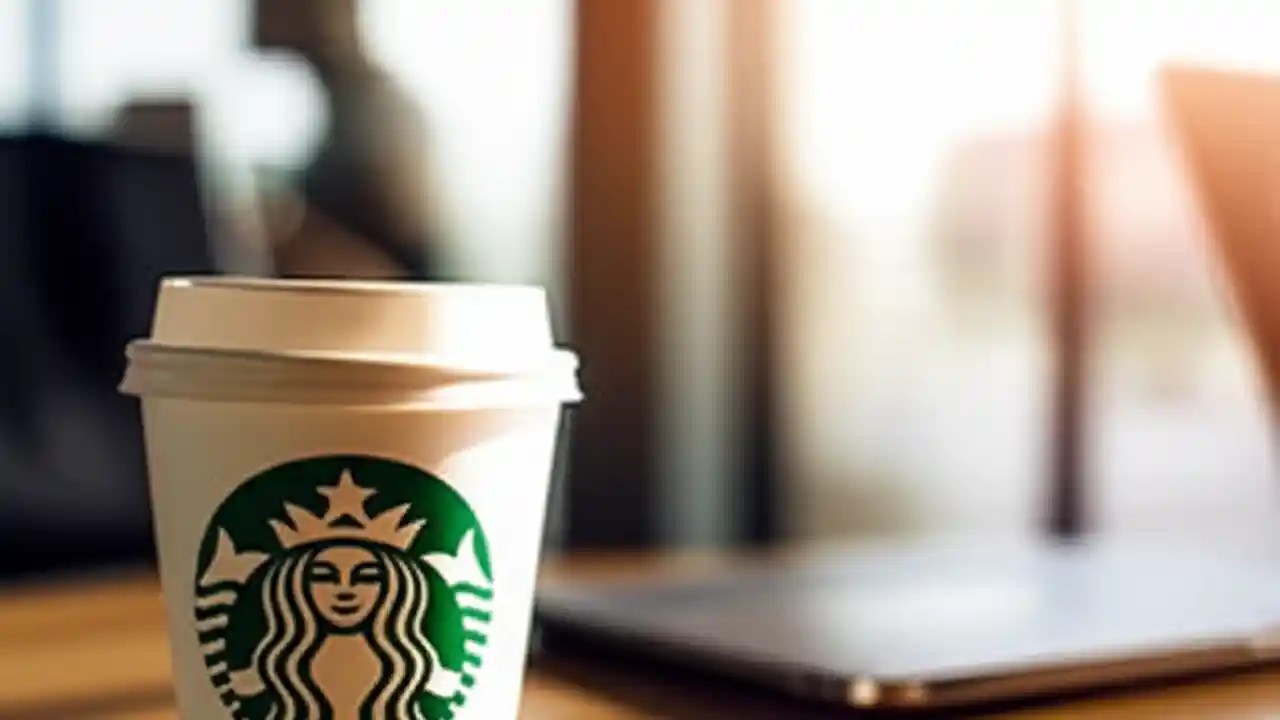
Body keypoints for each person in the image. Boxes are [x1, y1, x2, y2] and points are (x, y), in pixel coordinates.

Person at [253, 0, 433, 278]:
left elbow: (392, 274)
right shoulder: (334, 106)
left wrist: (291, 235)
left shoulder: (380, 113)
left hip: (385, 315)